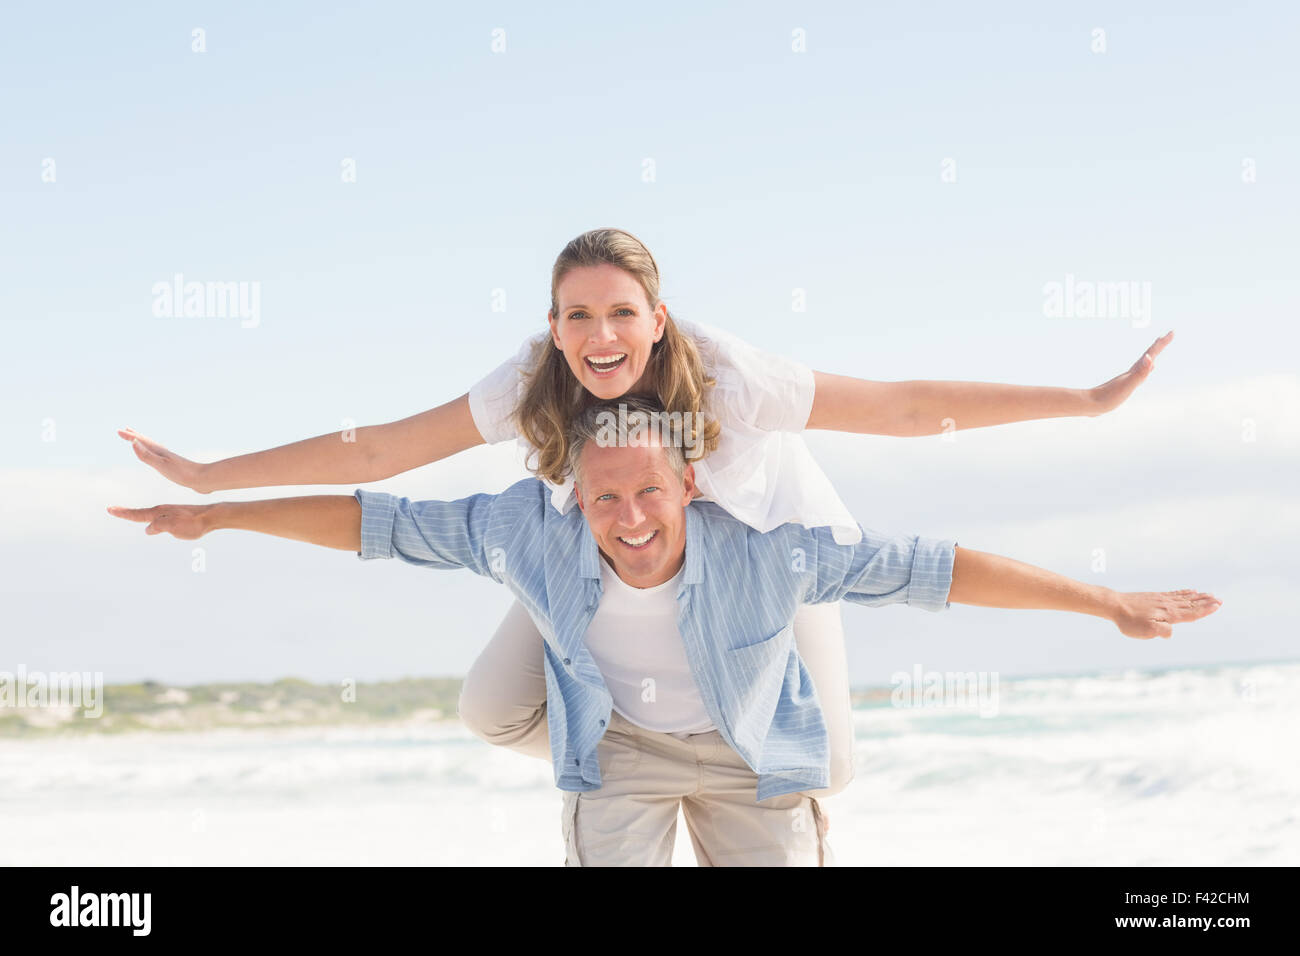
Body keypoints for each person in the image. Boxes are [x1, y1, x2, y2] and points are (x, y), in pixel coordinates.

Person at [114, 227, 1176, 803]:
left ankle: (708, 735)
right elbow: (382, 451)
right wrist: (214, 480)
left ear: (657, 318)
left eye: (622, 312)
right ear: (554, 325)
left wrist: (1079, 401)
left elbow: (902, 408)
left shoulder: (726, 374)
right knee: (490, 705)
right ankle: (647, 742)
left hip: (763, 572)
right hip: (599, 559)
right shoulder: (534, 378)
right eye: (579, 314)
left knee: (829, 768)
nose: (601, 333)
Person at [108, 395, 1221, 866]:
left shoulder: (770, 547)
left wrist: (1107, 600)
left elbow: (941, 569)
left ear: (690, 482)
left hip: (751, 757)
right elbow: (371, 517)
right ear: (574, 497)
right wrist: (223, 511)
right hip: (623, 752)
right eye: (604, 499)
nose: (629, 520)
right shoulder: (525, 530)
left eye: (648, 494)